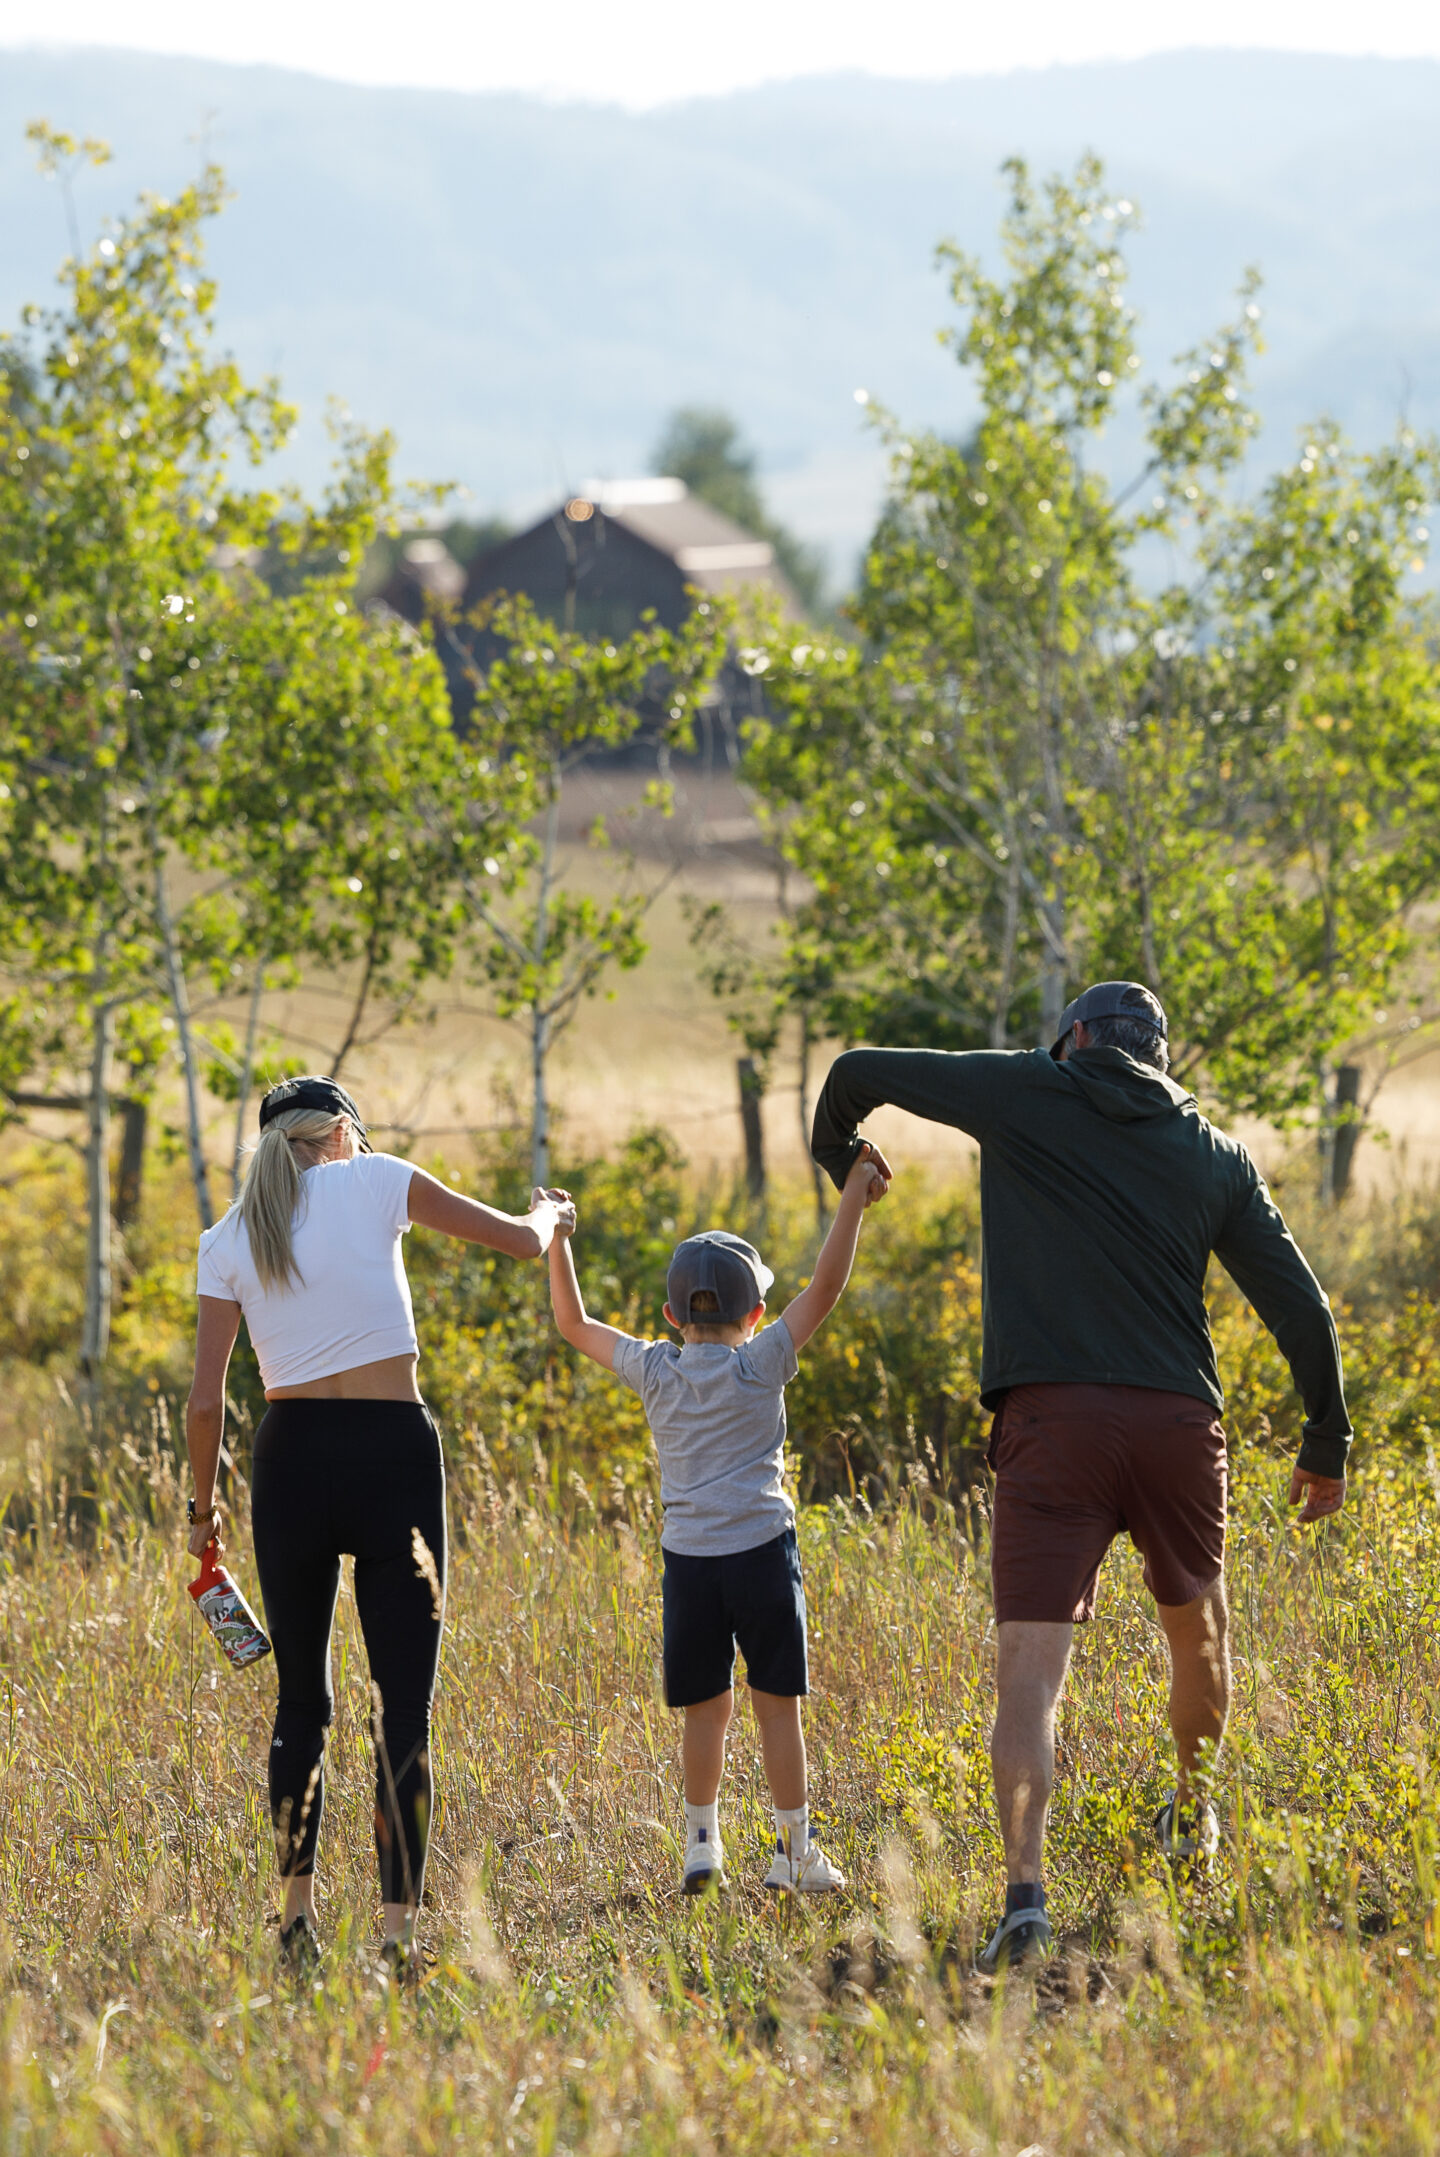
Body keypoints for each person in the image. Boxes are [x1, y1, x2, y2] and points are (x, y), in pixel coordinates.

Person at [810, 982, 1351, 1975]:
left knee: (1030, 1674)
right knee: (1201, 1632)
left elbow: (852, 1076)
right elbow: (1301, 1306)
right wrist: (1327, 1438)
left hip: (1050, 1423)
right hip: (1175, 1424)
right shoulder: (1215, 1155)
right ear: (1160, 1057)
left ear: (1073, 1040)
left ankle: (1025, 1902)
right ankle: (1195, 1818)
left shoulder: (1025, 1089)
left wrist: (839, 1159)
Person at [185, 1074, 573, 1976]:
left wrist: (200, 1515)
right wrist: (550, 1215)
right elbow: (519, 1240)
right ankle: (397, 1936)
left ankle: (295, 1924)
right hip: (393, 1454)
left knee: (301, 1702)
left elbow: (208, 1402)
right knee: (405, 1709)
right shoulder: (381, 1178)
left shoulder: (228, 1235)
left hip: (290, 1464)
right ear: (344, 1134)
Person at [540, 1148, 888, 1894]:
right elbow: (825, 1287)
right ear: (756, 1313)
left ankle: (703, 1844)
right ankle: (794, 1851)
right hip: (762, 1552)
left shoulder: (653, 1368)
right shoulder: (759, 1364)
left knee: (708, 1707)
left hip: (689, 1563)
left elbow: (572, 1322)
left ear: (671, 1315)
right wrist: (853, 1195)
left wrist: (561, 1237)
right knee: (776, 1705)